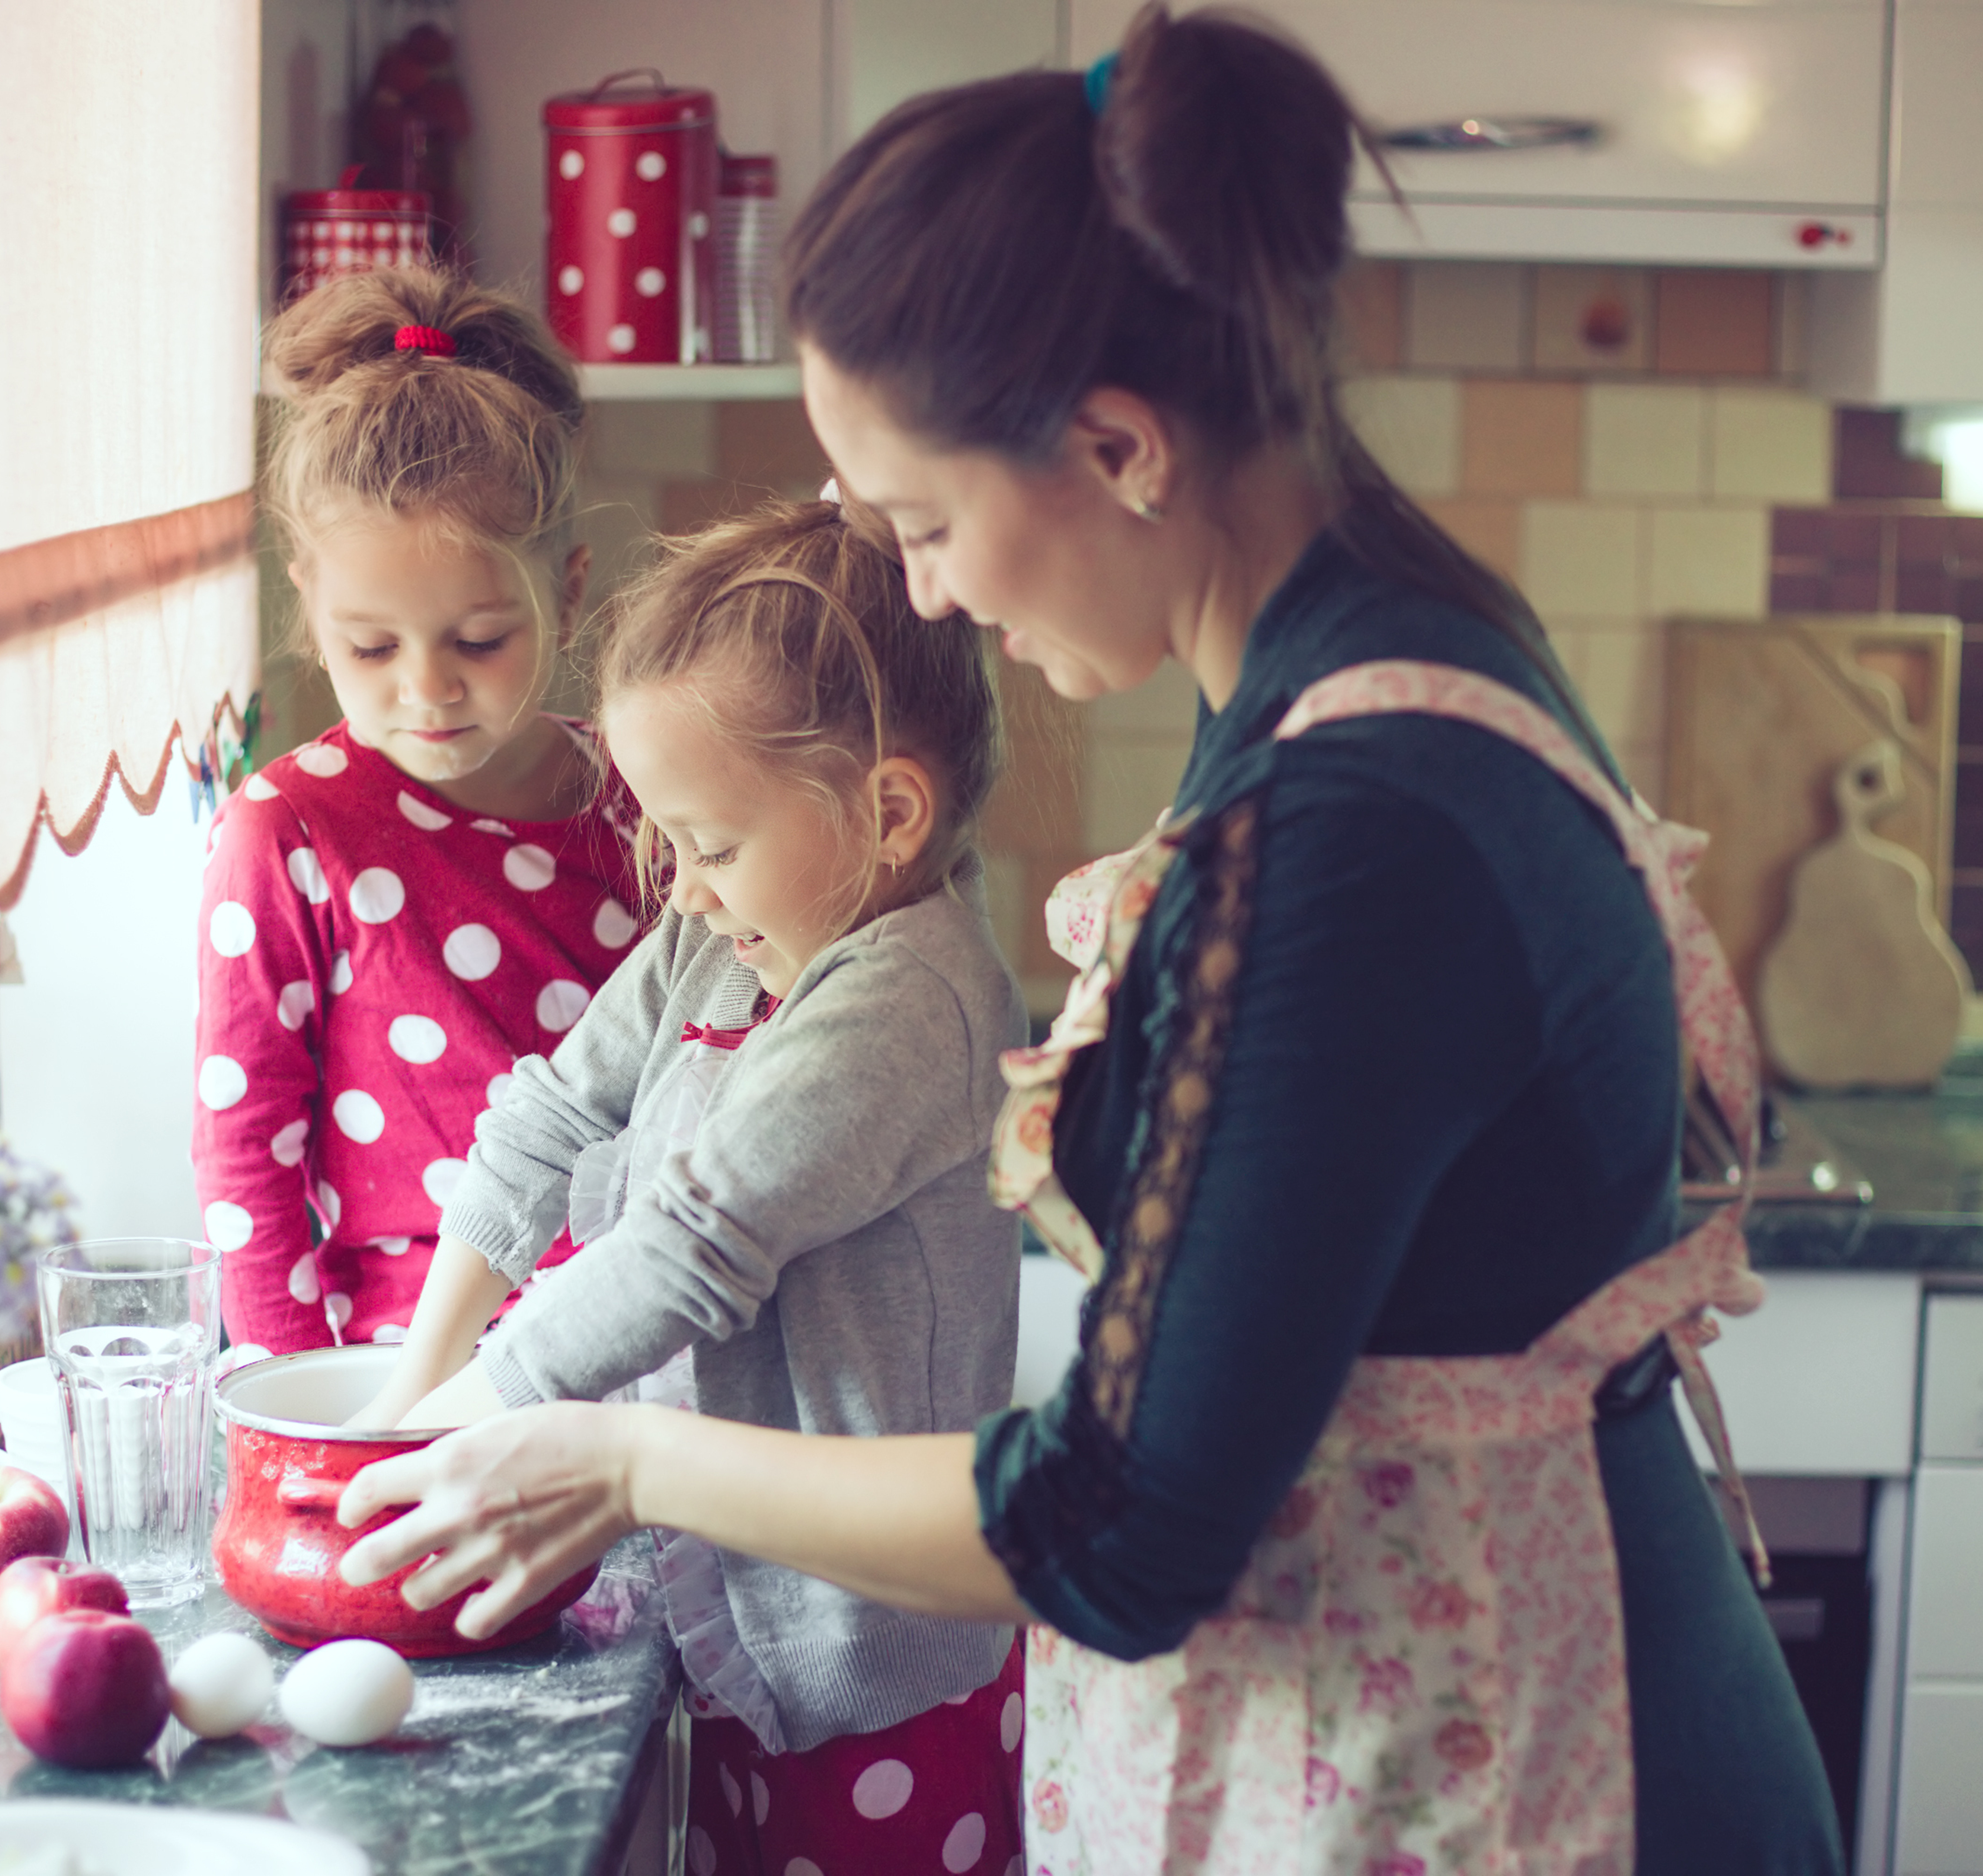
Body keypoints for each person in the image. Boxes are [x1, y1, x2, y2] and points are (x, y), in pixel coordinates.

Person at [336, 8, 1844, 1869]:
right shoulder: (1382, 652)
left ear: (1118, 445)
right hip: (1454, 1725)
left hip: (1537, 1785)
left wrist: (628, 1458)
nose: (922, 589)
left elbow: (1115, 1533)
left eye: (926, 519)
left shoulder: (1348, 829)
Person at [348, 499, 1030, 1876]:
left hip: (871, 1664)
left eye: (710, 845)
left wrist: (467, 1425)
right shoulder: (719, 942)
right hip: (730, 1617)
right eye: (665, 844)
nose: (685, 887)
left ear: (888, 813)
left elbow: (691, 1248)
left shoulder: (908, 999)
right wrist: (404, 1405)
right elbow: (548, 1119)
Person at [194, 268, 642, 1356]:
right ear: (309, 600)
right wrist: (298, 1413)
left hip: (643, 1356)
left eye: (481, 641)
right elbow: (248, 1154)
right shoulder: (286, 831)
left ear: (570, 594)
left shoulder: (647, 799)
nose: (427, 689)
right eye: (373, 646)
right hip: (400, 1381)